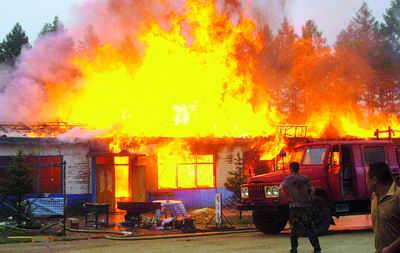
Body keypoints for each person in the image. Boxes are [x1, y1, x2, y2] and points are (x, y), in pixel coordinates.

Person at [280, 161, 321, 253]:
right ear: (298, 168)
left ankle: (294, 249)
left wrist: (287, 198)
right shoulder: (305, 178)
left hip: (294, 207)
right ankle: (317, 248)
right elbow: (313, 190)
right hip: (305, 206)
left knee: (294, 229)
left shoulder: (288, 179)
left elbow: (281, 188)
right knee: (310, 228)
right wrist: (310, 199)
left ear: (291, 168)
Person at [366, 162, 400, 253]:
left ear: (374, 180)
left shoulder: (398, 196)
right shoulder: (374, 196)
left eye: (367, 177)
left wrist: (390, 249)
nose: (365, 180)